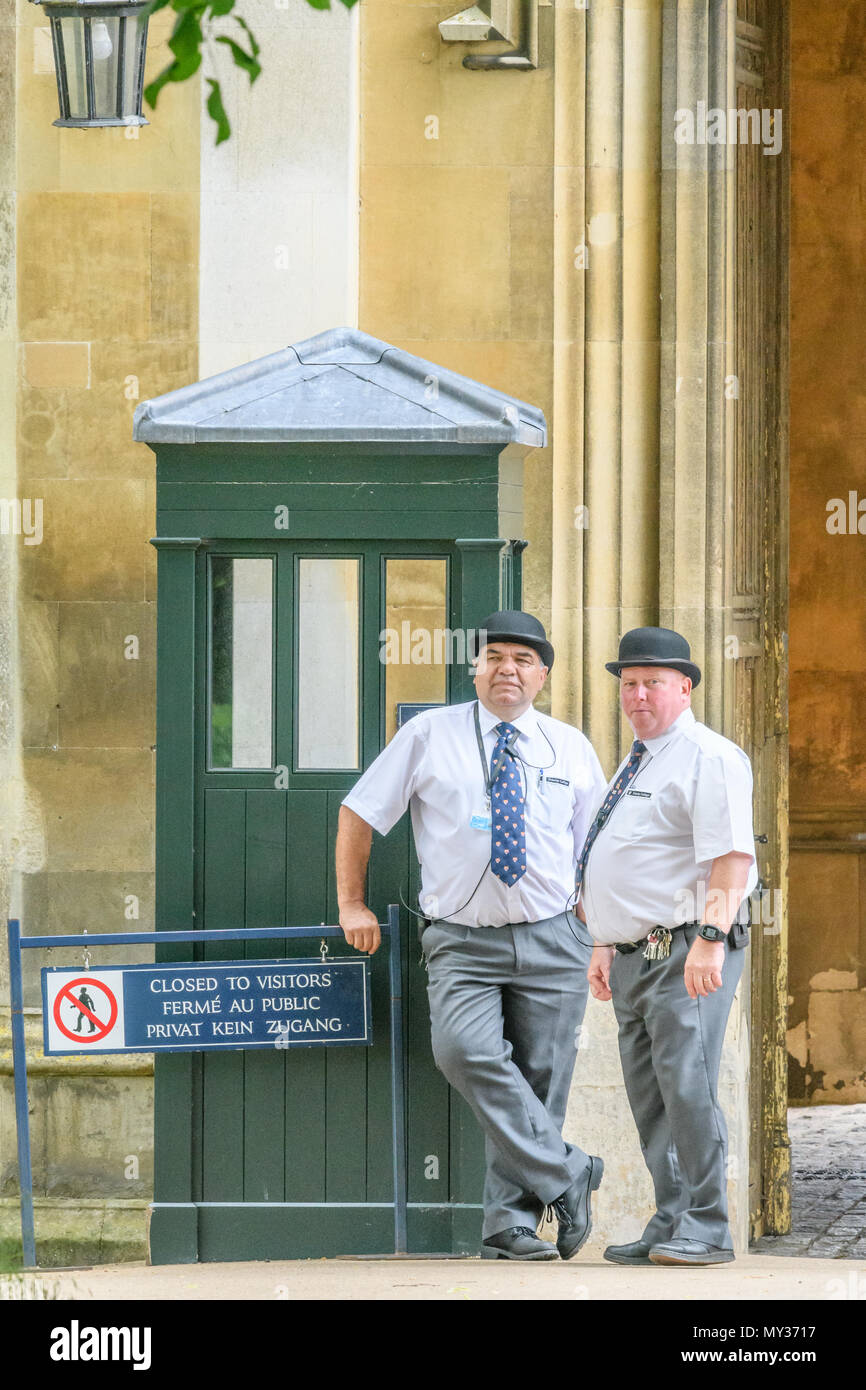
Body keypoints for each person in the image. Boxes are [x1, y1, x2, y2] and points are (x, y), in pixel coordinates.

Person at [335, 611, 607, 1261]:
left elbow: (599, 845)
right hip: (461, 940)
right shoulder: (429, 735)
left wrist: (600, 931)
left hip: (553, 936)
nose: (507, 668)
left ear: (541, 674)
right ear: (474, 668)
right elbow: (359, 810)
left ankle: (508, 1227)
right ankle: (569, 1172)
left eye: (522, 658)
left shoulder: (568, 746)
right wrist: (351, 902)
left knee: (542, 1081)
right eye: (495, 657)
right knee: (462, 1052)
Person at [579, 626, 757, 1266]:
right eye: (629, 683)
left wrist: (709, 940)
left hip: (687, 947)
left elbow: (732, 858)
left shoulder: (707, 756)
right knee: (651, 1092)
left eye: (653, 681)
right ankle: (673, 1218)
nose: (637, 694)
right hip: (636, 954)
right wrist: (603, 939)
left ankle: (708, 1226)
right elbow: (623, 859)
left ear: (685, 688)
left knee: (687, 1085)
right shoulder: (637, 759)